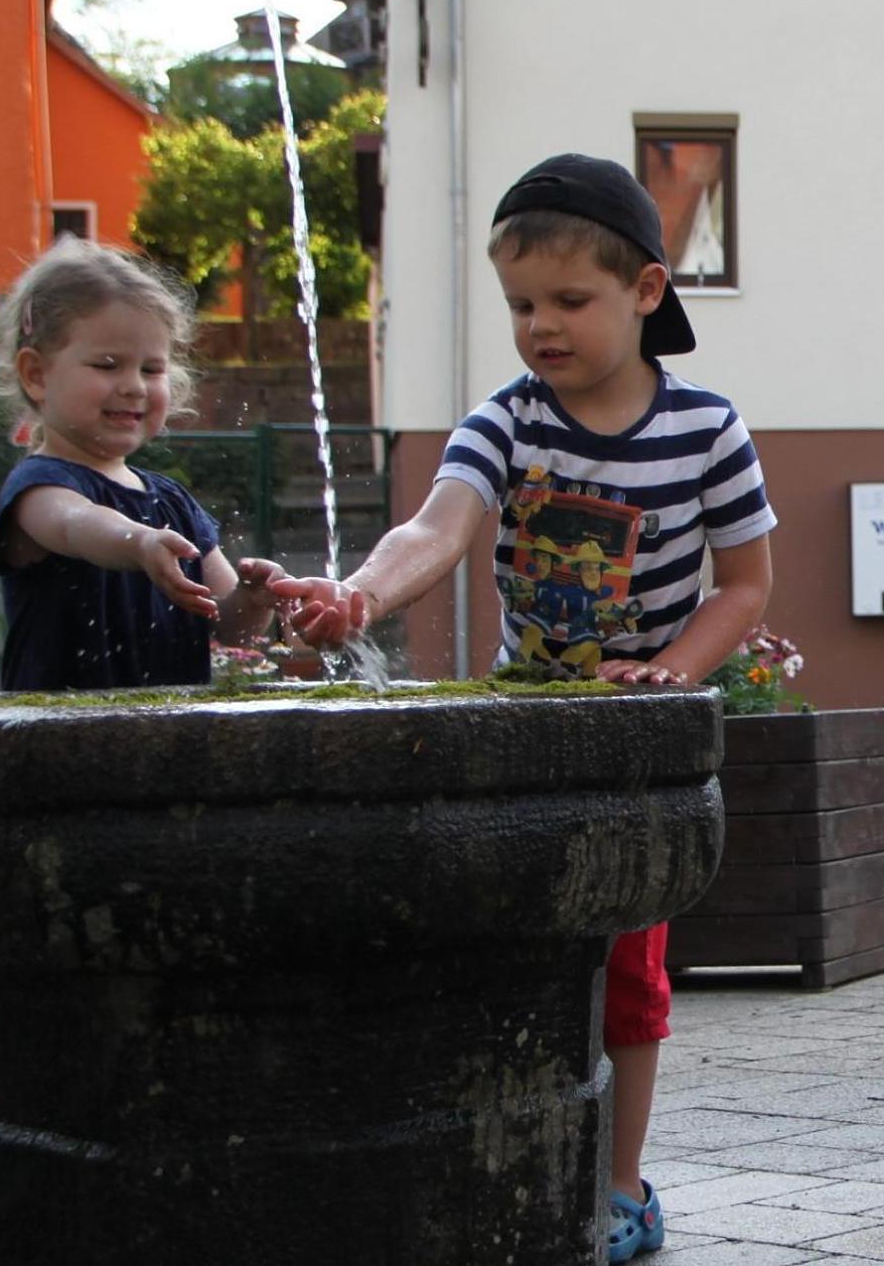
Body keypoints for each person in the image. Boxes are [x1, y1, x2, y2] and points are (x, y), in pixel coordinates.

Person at [276, 153, 775, 1263]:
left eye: (568, 301)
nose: (539, 326)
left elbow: (745, 586)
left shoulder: (707, 430)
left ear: (646, 291)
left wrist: (674, 669)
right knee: (513, 963)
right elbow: (438, 529)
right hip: (531, 738)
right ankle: (504, 1158)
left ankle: (623, 1185)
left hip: (639, 747)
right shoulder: (506, 422)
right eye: (519, 304)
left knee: (630, 977)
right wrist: (358, 594)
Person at [0, 239, 286, 692]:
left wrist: (256, 599)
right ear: (36, 375)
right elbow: (76, 524)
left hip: (165, 742)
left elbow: (226, 627)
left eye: (151, 369)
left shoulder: (172, 502)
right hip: (57, 744)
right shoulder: (38, 488)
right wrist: (139, 541)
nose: (134, 387)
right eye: (108, 365)